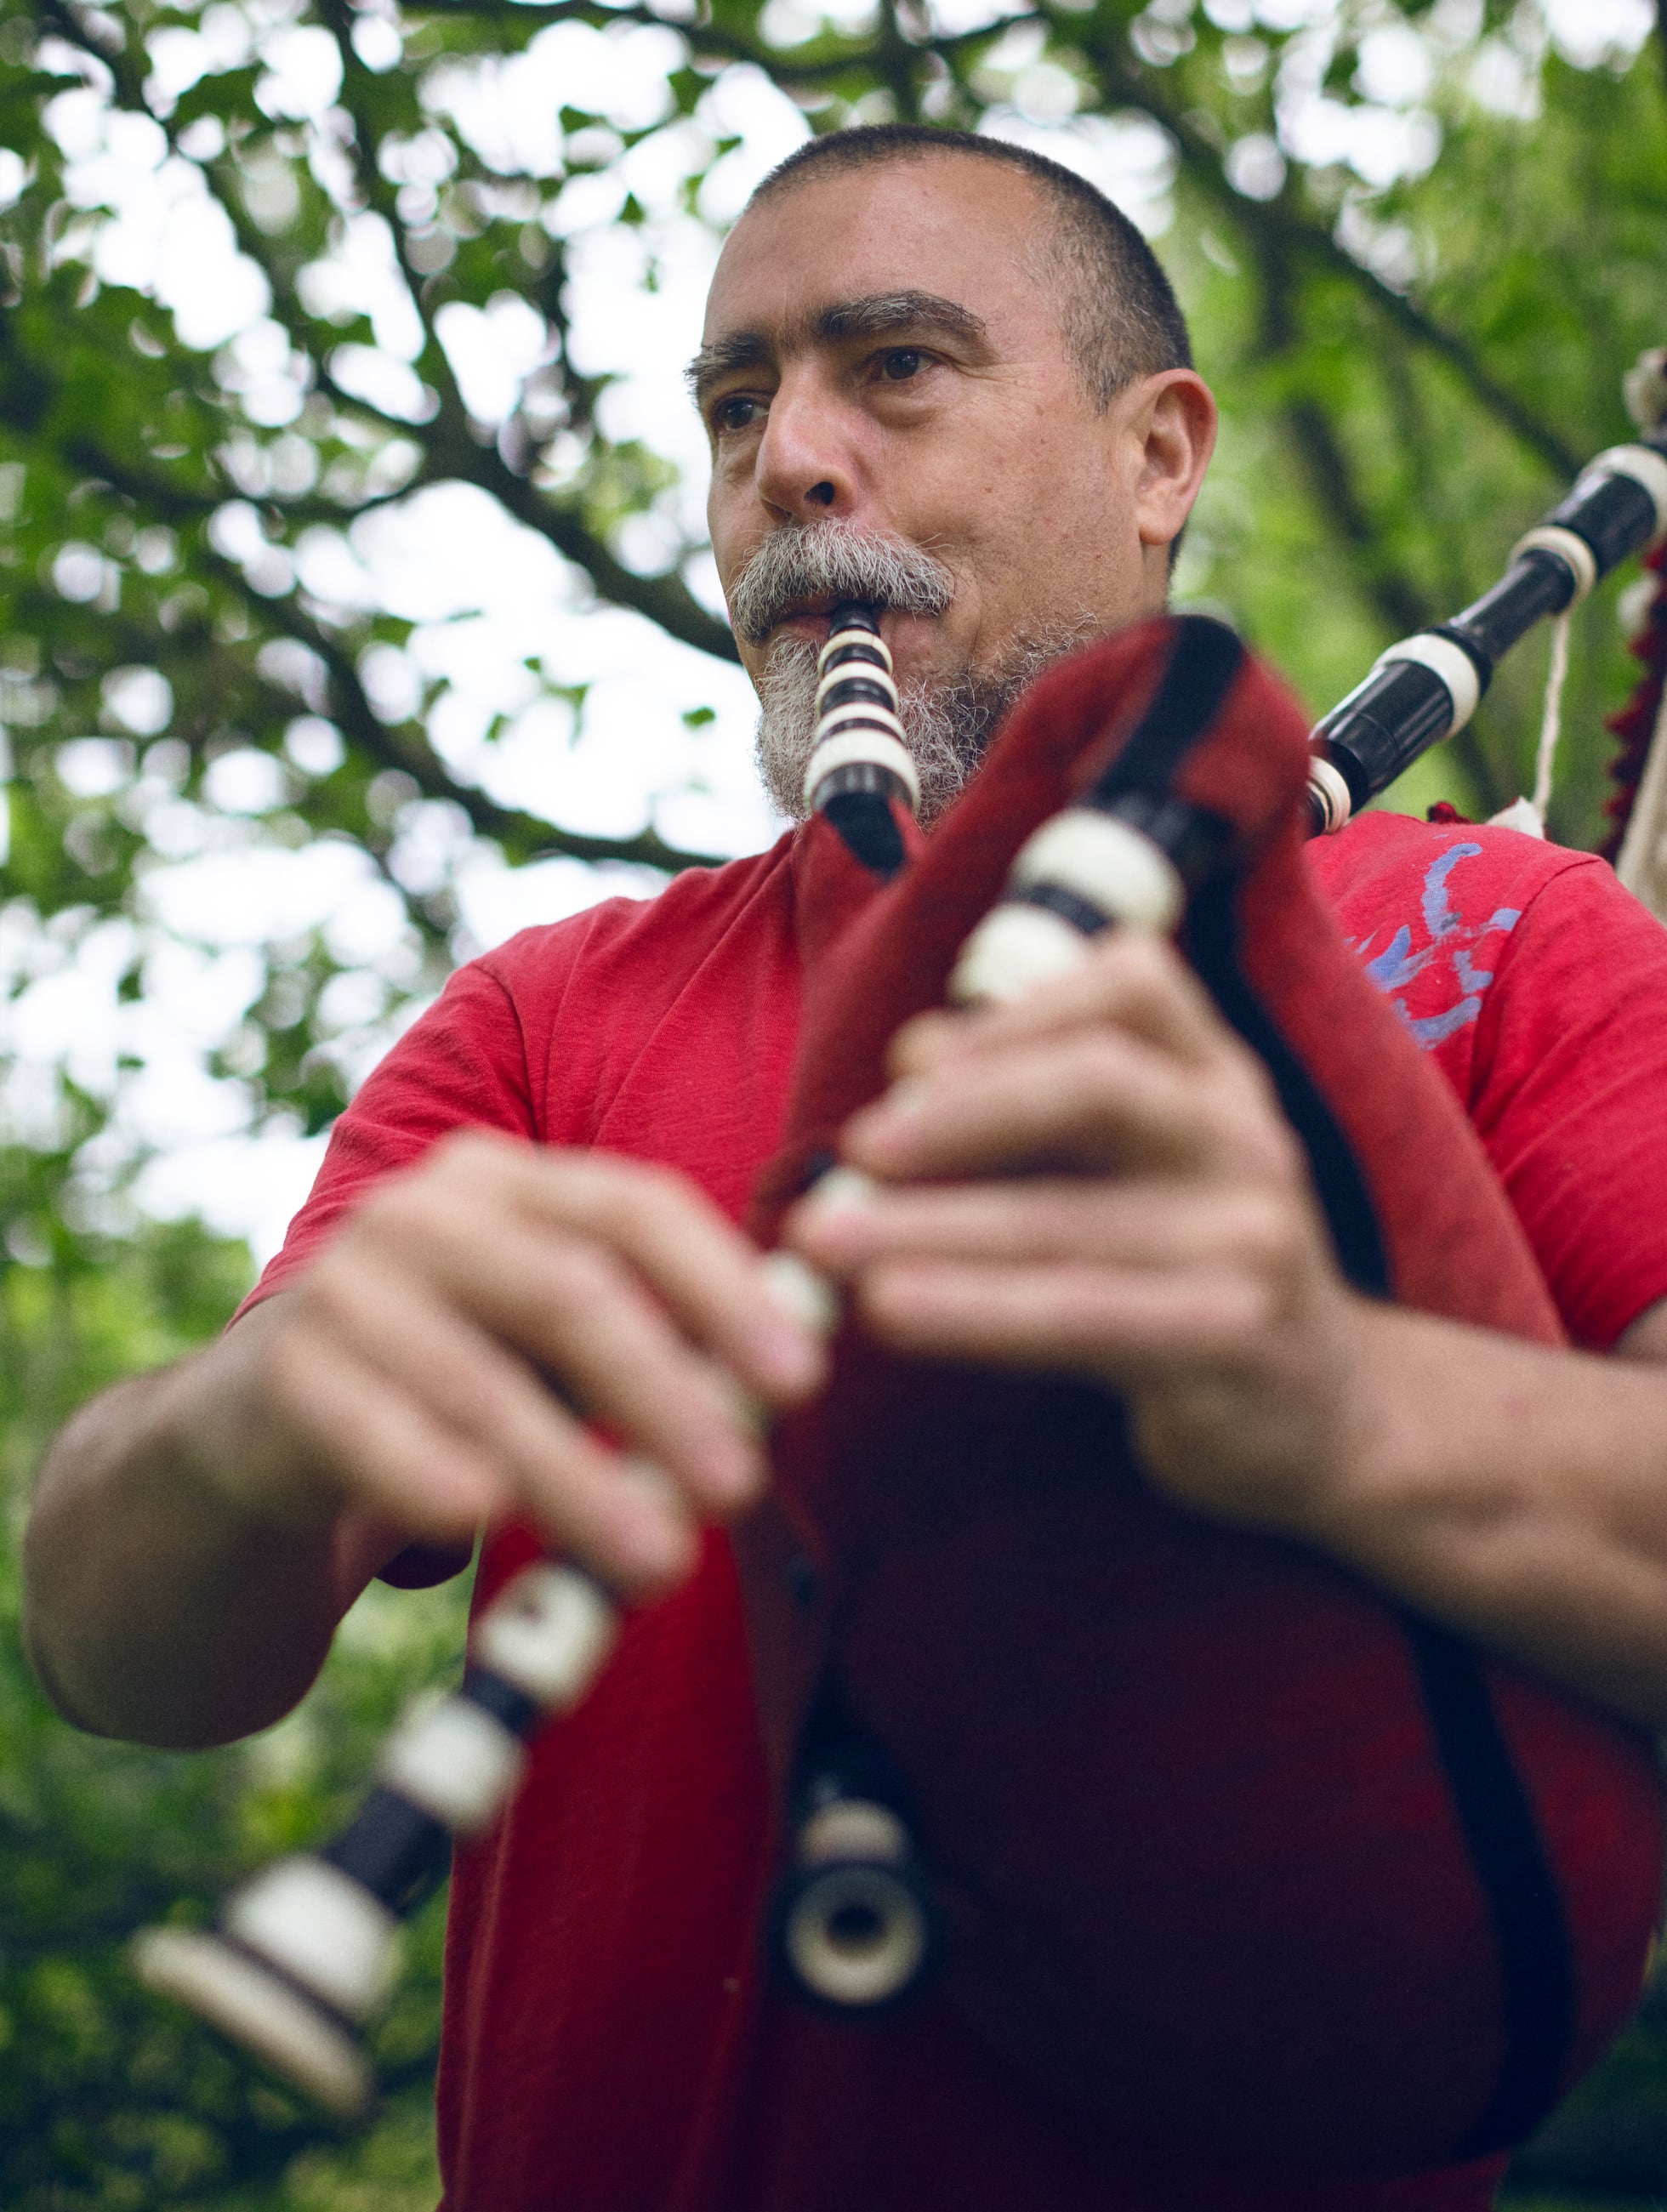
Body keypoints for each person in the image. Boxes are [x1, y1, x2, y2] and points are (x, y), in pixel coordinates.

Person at [23, 125, 1667, 2210]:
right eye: (734, 403)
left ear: (1157, 455)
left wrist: (1333, 1398)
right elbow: (110, 1648)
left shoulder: (1503, 936)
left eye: (894, 367)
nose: (788, 461)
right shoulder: (551, 1014)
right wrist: (253, 1419)